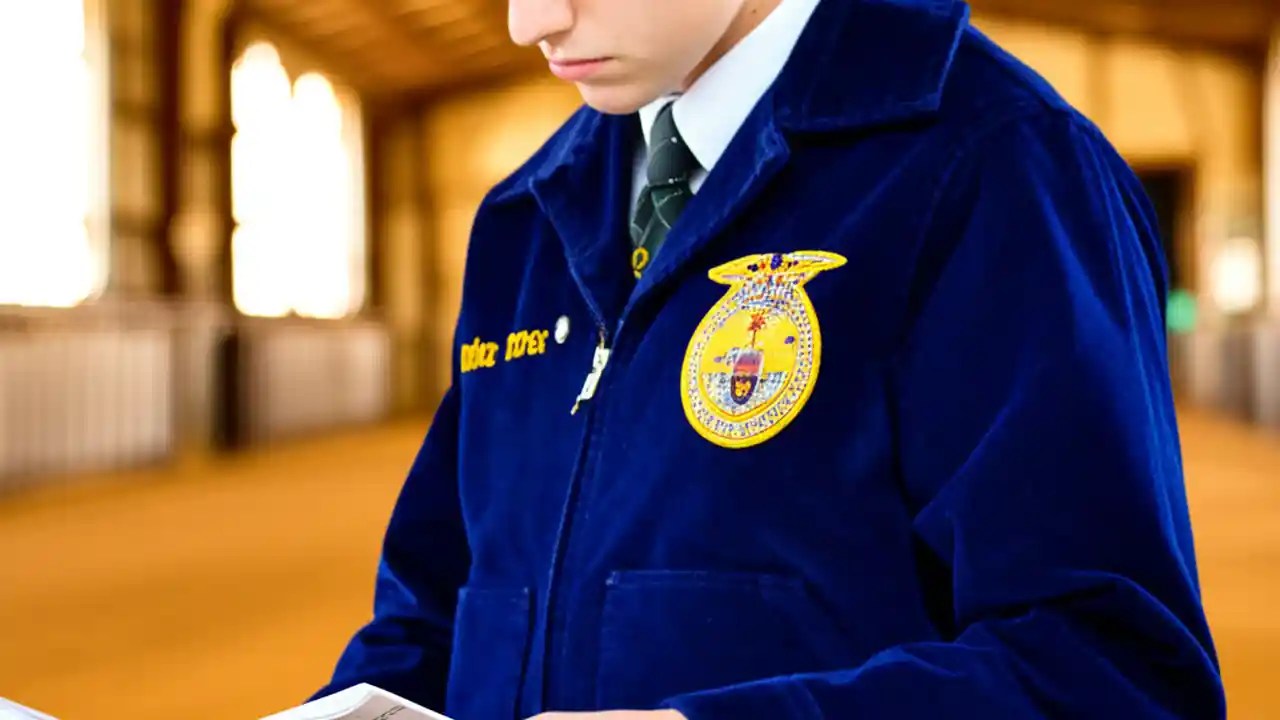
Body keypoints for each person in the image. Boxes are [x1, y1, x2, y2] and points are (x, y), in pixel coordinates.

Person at [313, 0, 1226, 717]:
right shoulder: (527, 219)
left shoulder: (995, 168)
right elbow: (437, 614)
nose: (530, 21)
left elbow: (1111, 673)